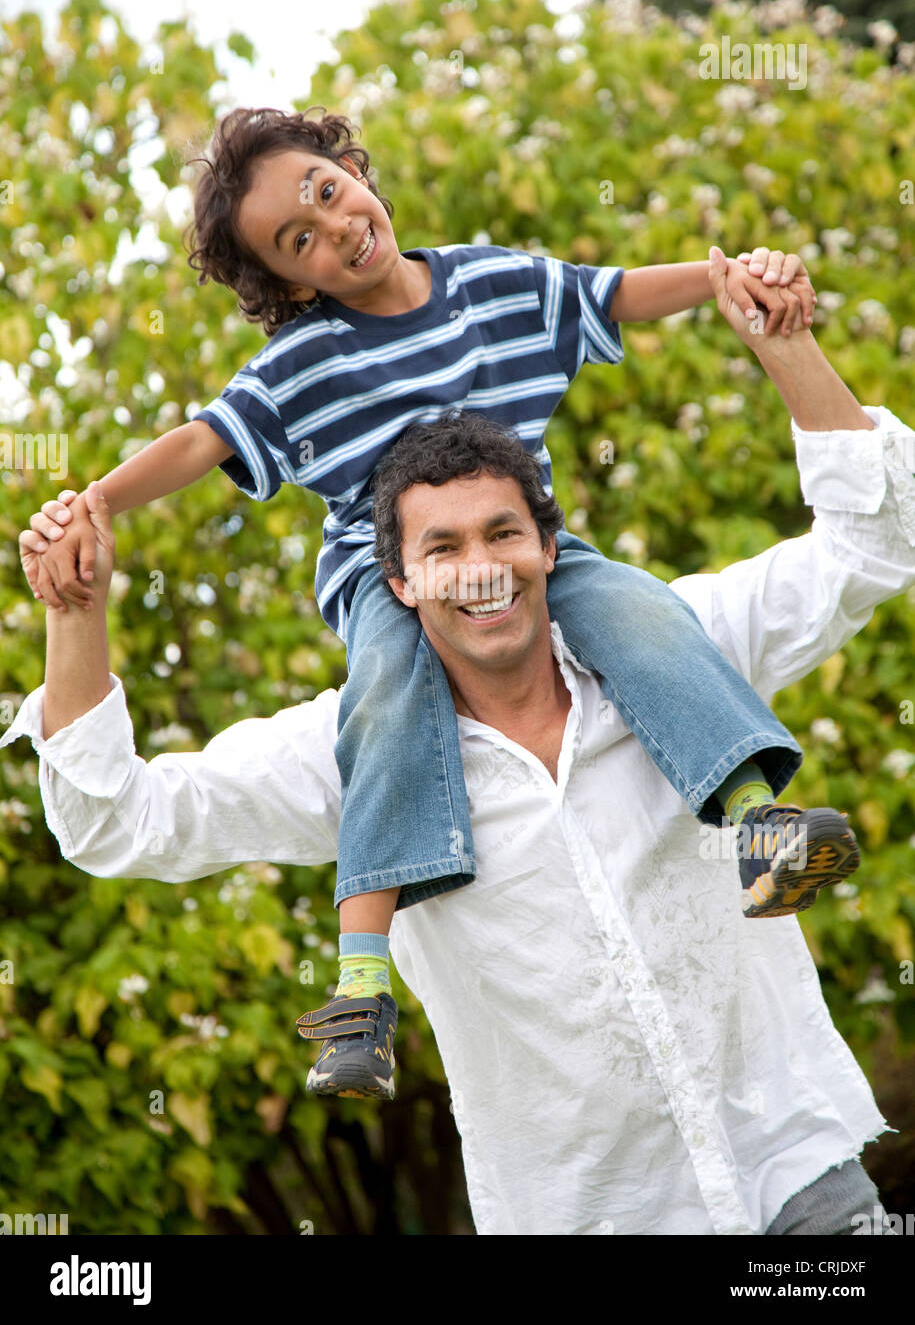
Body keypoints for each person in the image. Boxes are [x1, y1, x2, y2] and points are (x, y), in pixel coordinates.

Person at [6, 248, 912, 1233]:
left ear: (549, 546)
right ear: (396, 583)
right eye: (441, 547)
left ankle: (761, 826)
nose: (479, 568)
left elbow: (873, 544)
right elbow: (117, 823)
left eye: (501, 533)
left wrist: (785, 346)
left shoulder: (679, 647)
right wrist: (77, 615)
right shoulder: (357, 751)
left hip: (798, 1181)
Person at [21, 106, 847, 1102]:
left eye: (328, 195)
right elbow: (203, 440)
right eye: (299, 241)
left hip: (530, 539)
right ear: (289, 281)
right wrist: (97, 500)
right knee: (385, 707)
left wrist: (722, 282)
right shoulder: (303, 364)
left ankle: (760, 827)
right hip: (385, 578)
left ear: (353, 167)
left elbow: (612, 294)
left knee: (647, 619)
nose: (334, 230)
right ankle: (361, 986)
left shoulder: (489, 284)